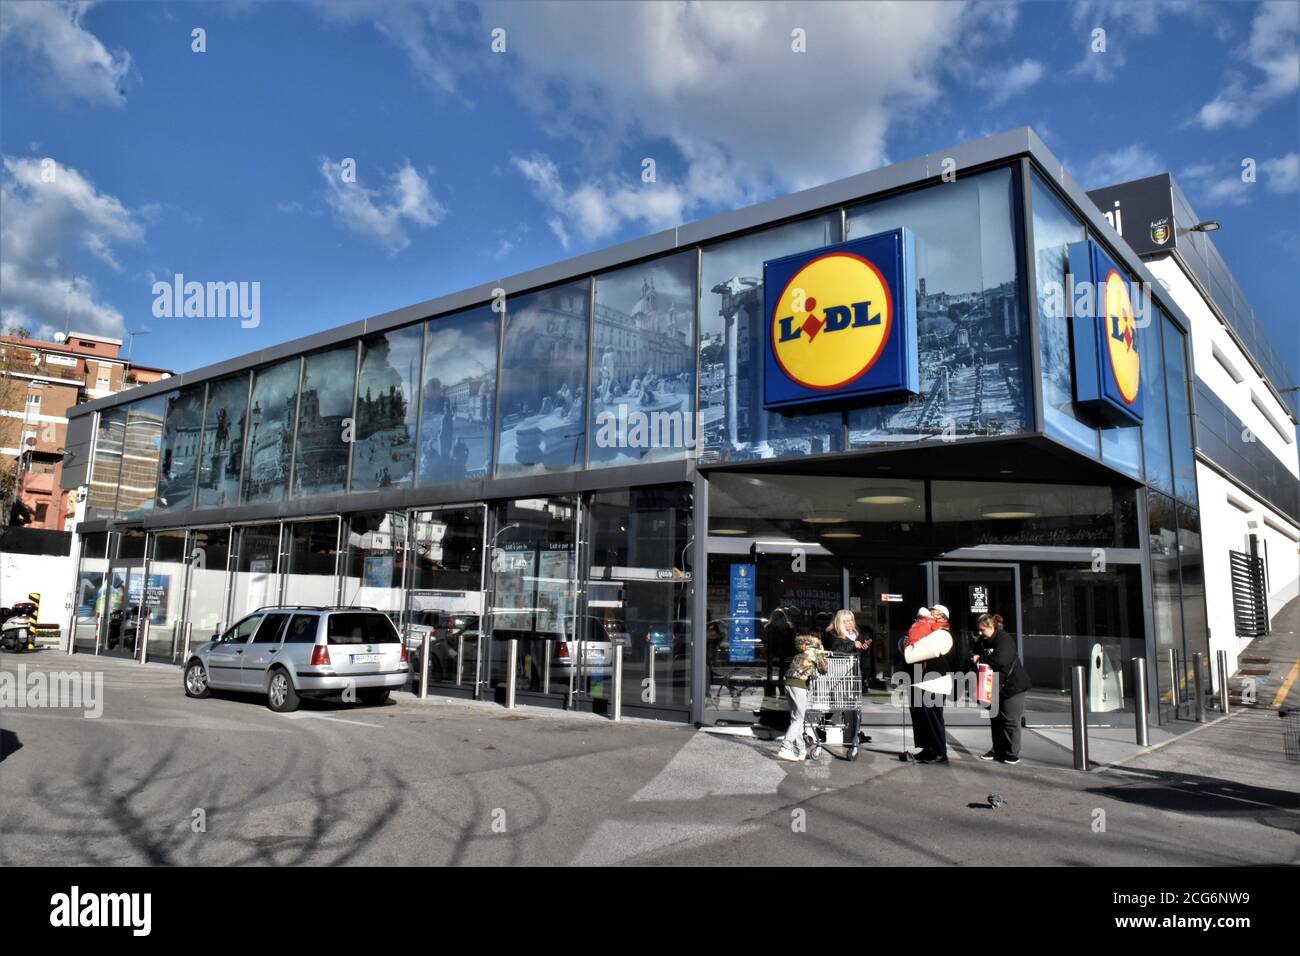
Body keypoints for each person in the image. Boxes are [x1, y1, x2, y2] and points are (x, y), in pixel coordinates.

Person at [971, 612, 1031, 764]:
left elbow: (1001, 659)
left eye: (982, 629)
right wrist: (976, 658)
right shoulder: (983, 641)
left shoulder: (1003, 638)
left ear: (991, 627)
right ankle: (997, 750)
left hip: (1012, 686)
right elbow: (974, 653)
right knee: (996, 720)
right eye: (979, 630)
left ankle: (1012, 753)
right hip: (994, 685)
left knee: (1011, 720)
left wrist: (980, 659)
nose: (980, 633)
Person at [908, 604, 953, 764]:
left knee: (933, 717)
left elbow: (926, 652)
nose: (930, 613)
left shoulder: (943, 633)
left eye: (934, 612)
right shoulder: (928, 629)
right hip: (921, 680)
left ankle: (940, 752)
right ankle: (927, 749)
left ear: (943, 616)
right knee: (921, 717)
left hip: (935, 681)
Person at [777, 633, 828, 762]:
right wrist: (822, 653)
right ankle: (785, 747)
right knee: (799, 719)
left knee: (796, 719)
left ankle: (801, 750)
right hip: (799, 686)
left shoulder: (800, 654)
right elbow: (824, 670)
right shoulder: (815, 652)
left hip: (788, 684)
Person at [825, 609, 872, 744]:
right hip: (839, 674)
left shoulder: (855, 634)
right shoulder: (833, 633)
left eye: (851, 620)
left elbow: (859, 654)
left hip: (853, 673)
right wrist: (853, 645)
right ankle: (838, 729)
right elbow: (836, 649)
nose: (850, 623)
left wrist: (863, 647)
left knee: (853, 703)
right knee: (839, 701)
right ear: (840, 622)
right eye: (846, 621)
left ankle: (854, 731)